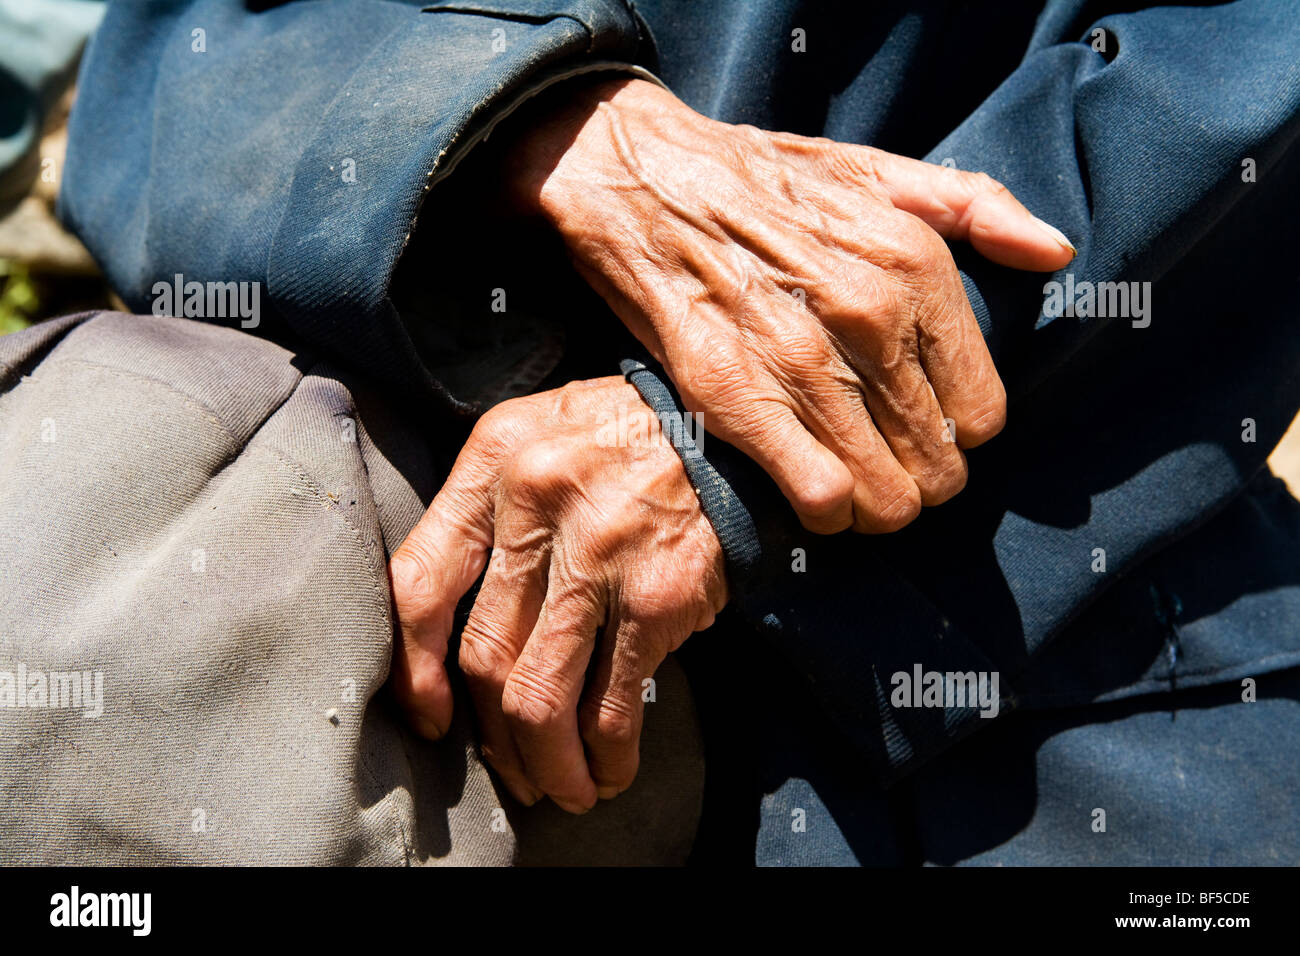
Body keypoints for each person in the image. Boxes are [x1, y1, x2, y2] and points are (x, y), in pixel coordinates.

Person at [2, 0, 1297, 864]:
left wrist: (734, 416)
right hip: (399, 554)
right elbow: (175, 49)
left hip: (1058, 628)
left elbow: (1242, 55)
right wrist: (533, 121)